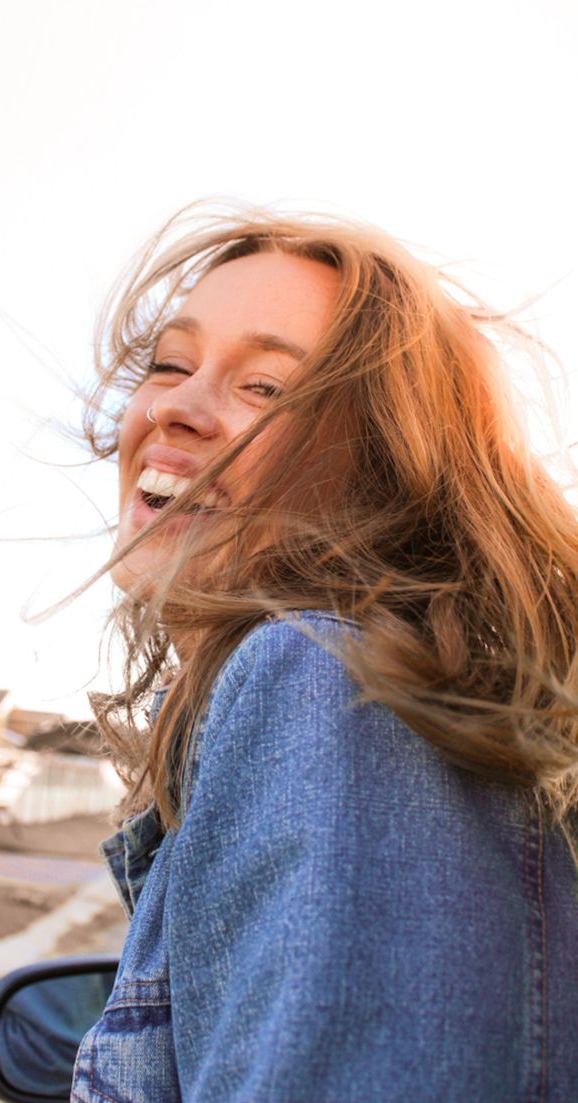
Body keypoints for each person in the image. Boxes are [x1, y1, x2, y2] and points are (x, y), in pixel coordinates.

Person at [70, 203, 578, 1102]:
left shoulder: (326, 681)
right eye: (172, 363)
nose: (176, 408)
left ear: (385, 470)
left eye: (265, 388)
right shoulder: (296, 699)